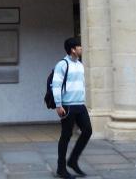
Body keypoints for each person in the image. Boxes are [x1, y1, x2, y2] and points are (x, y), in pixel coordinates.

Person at [51, 37, 91, 179]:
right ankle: (61, 168)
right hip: (67, 106)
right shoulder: (62, 65)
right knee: (66, 136)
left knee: (87, 131)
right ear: (73, 49)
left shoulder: (80, 64)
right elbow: (55, 85)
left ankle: (73, 160)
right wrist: (58, 104)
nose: (81, 48)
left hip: (80, 104)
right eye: (79, 46)